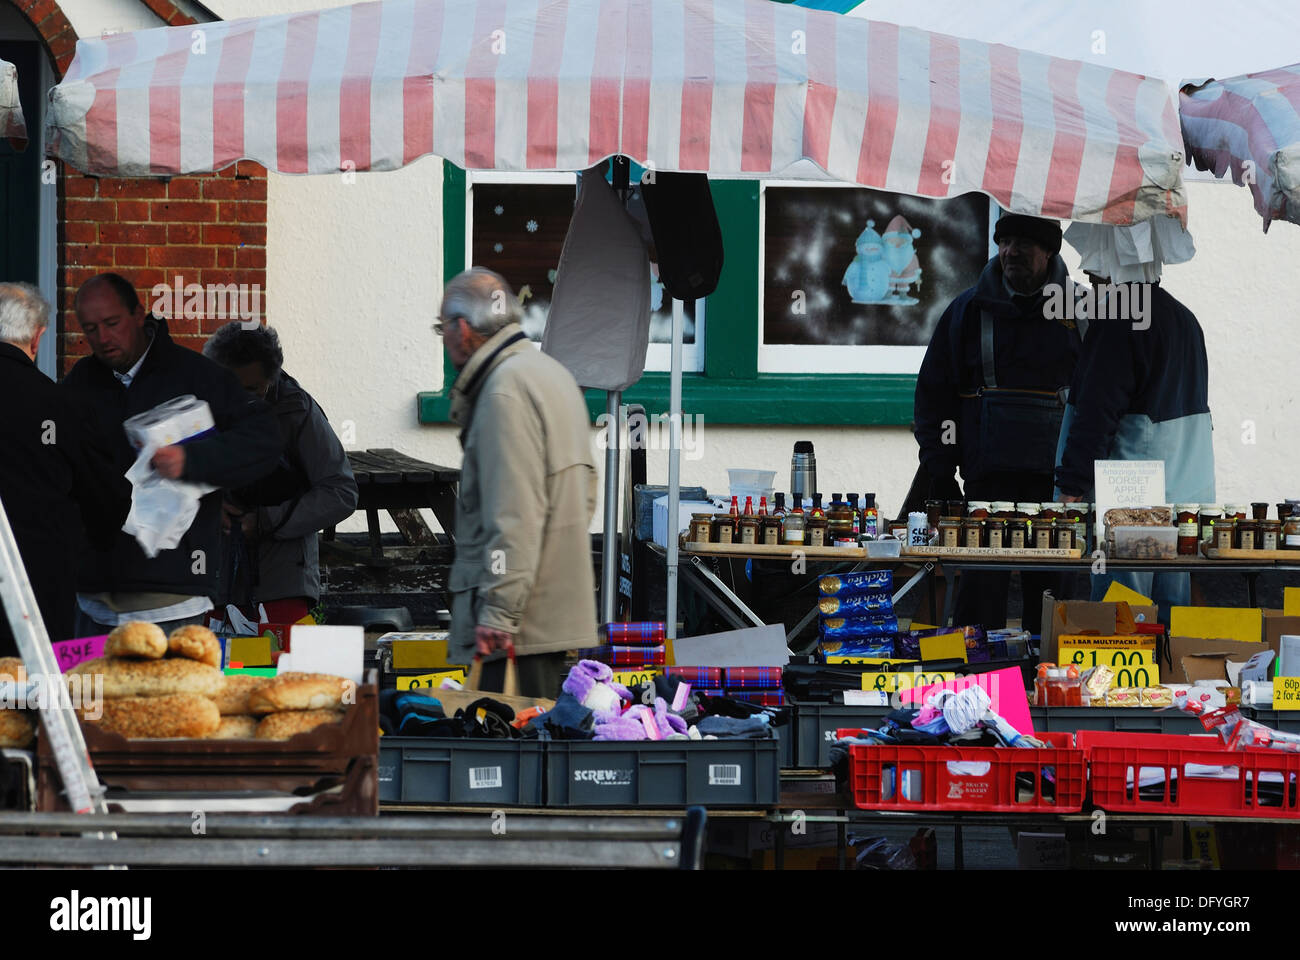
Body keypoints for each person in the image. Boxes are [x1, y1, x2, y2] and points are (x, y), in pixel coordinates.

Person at [60, 273, 282, 637]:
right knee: (89, 696)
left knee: (162, 695)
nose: (102, 338)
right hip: (91, 598)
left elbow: (264, 439)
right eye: (91, 329)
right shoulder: (81, 381)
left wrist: (192, 461)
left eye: (112, 324)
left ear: (138, 313)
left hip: (171, 596)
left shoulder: (196, 376)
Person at [913, 213, 1085, 634]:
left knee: (1052, 602)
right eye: (1004, 242)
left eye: (1023, 244)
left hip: (1058, 489)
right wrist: (940, 470)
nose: (1010, 253)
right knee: (979, 596)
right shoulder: (966, 312)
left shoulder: (1084, 312)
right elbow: (934, 397)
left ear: (1049, 250)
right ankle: (974, 688)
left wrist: (1087, 474)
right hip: (986, 487)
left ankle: (1047, 682)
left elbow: (1102, 402)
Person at [440, 267, 598, 698]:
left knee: (506, 752)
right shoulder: (549, 374)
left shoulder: (502, 392)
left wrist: (498, 612)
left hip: (515, 629)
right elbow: (583, 492)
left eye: (442, 327)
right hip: (546, 612)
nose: (443, 338)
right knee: (540, 746)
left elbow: (512, 517)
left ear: (461, 327)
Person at [1055, 271, 1214, 621]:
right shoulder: (1185, 318)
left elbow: (1098, 411)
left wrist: (1072, 484)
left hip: (1130, 494)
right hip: (1181, 494)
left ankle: (1124, 679)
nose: (1089, 272)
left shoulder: (1119, 318)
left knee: (1123, 612)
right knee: (1171, 613)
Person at [0, 283, 127, 653]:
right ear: (38, 338)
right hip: (35, 597)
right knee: (30, 702)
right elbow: (108, 499)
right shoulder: (62, 406)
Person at [203, 322, 358, 623]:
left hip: (282, 578)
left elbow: (341, 492)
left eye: (252, 389)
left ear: (271, 378)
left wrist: (264, 521)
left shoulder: (297, 412)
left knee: (277, 668)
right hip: (213, 574)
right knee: (214, 667)